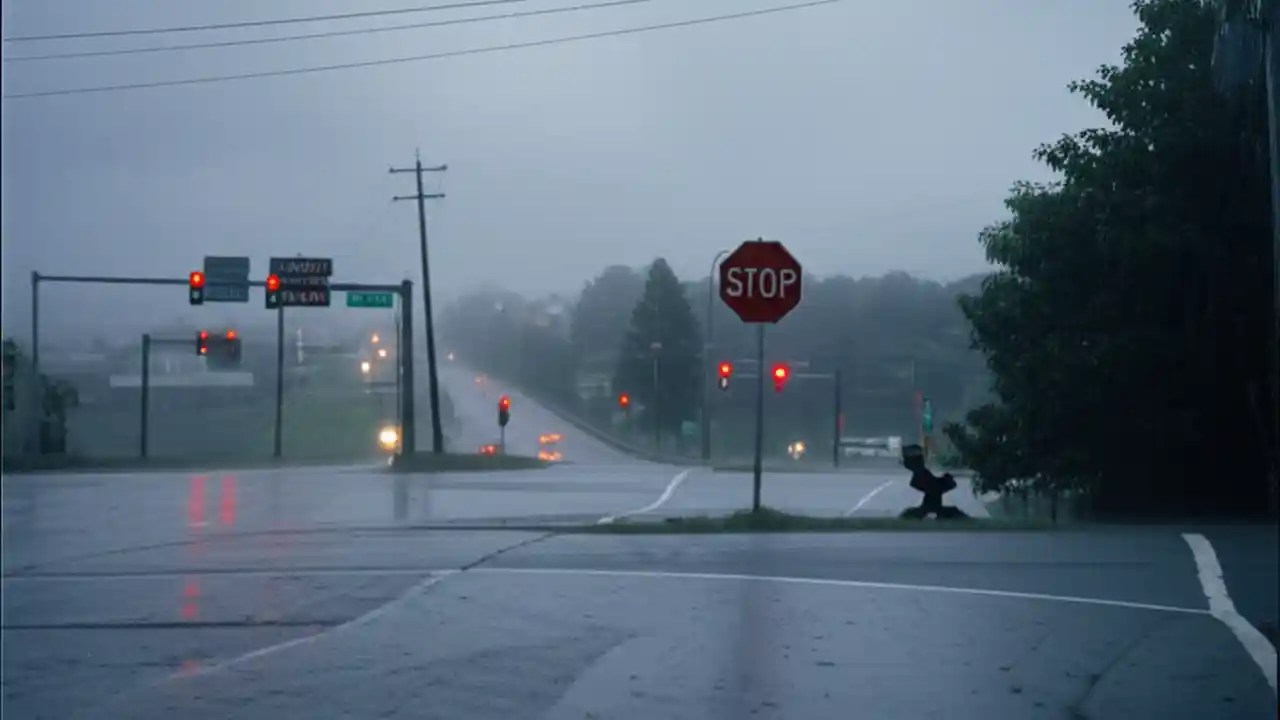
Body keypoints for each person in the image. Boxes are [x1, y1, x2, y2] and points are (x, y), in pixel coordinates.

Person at [900, 444, 968, 520]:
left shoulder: (922, 475)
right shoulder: (921, 475)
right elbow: (934, 487)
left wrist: (946, 481)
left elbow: (934, 487)